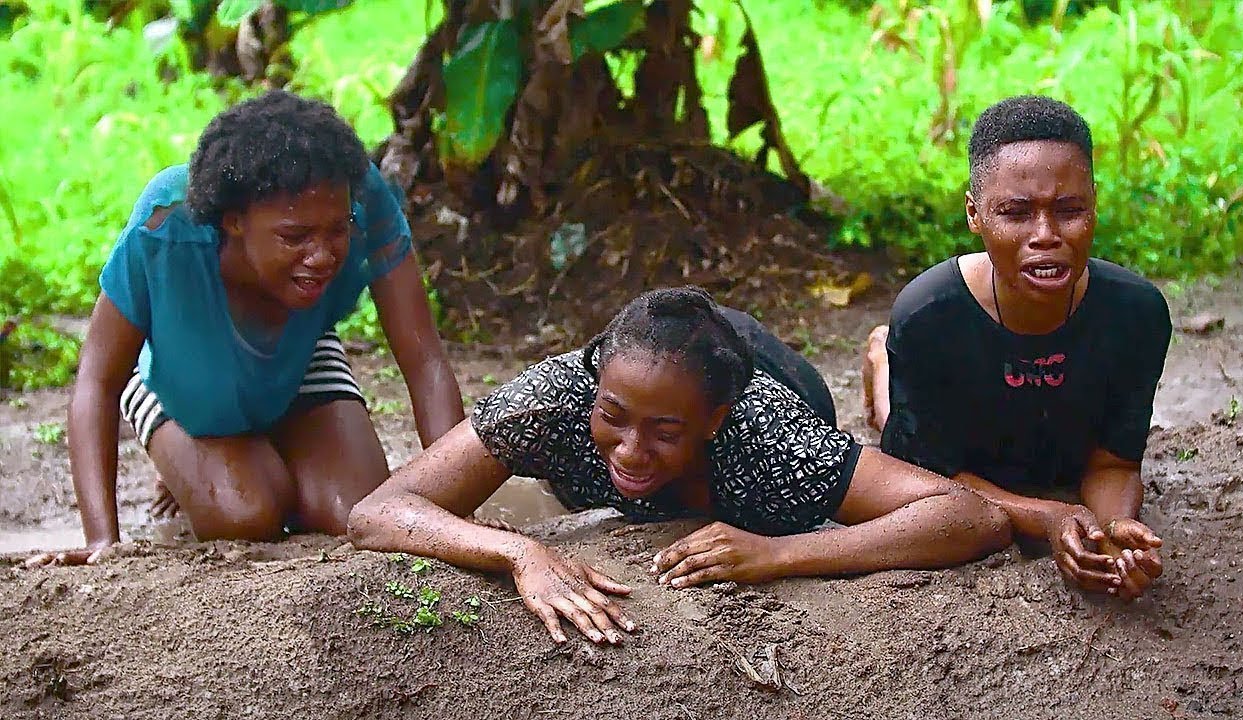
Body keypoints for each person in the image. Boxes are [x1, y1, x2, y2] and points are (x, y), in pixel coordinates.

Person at [349, 286, 1011, 645]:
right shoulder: (553, 398)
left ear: (712, 423)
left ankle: (880, 363)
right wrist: (520, 553)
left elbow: (971, 516)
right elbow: (377, 511)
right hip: (669, 354)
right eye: (612, 416)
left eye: (664, 433)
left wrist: (780, 554)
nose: (631, 450)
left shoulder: (768, 435)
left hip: (771, 373)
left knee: (892, 433)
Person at [25, 90, 463, 567]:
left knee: (356, 510)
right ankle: (186, 450)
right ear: (234, 221)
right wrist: (101, 541)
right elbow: (96, 380)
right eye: (294, 237)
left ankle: (252, 449)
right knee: (246, 512)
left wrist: (455, 515)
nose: (322, 256)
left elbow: (424, 361)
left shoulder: (359, 197)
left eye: (337, 231)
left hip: (298, 349)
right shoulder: (166, 227)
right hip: (180, 367)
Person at [861, 95, 1172, 601]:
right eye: (1015, 213)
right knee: (891, 419)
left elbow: (1113, 464)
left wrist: (1113, 532)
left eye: (1069, 211)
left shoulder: (1136, 314)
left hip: (1049, 447)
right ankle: (883, 356)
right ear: (975, 213)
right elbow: (929, 474)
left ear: (1094, 204)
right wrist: (1049, 516)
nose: (1045, 236)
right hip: (955, 447)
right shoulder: (928, 316)